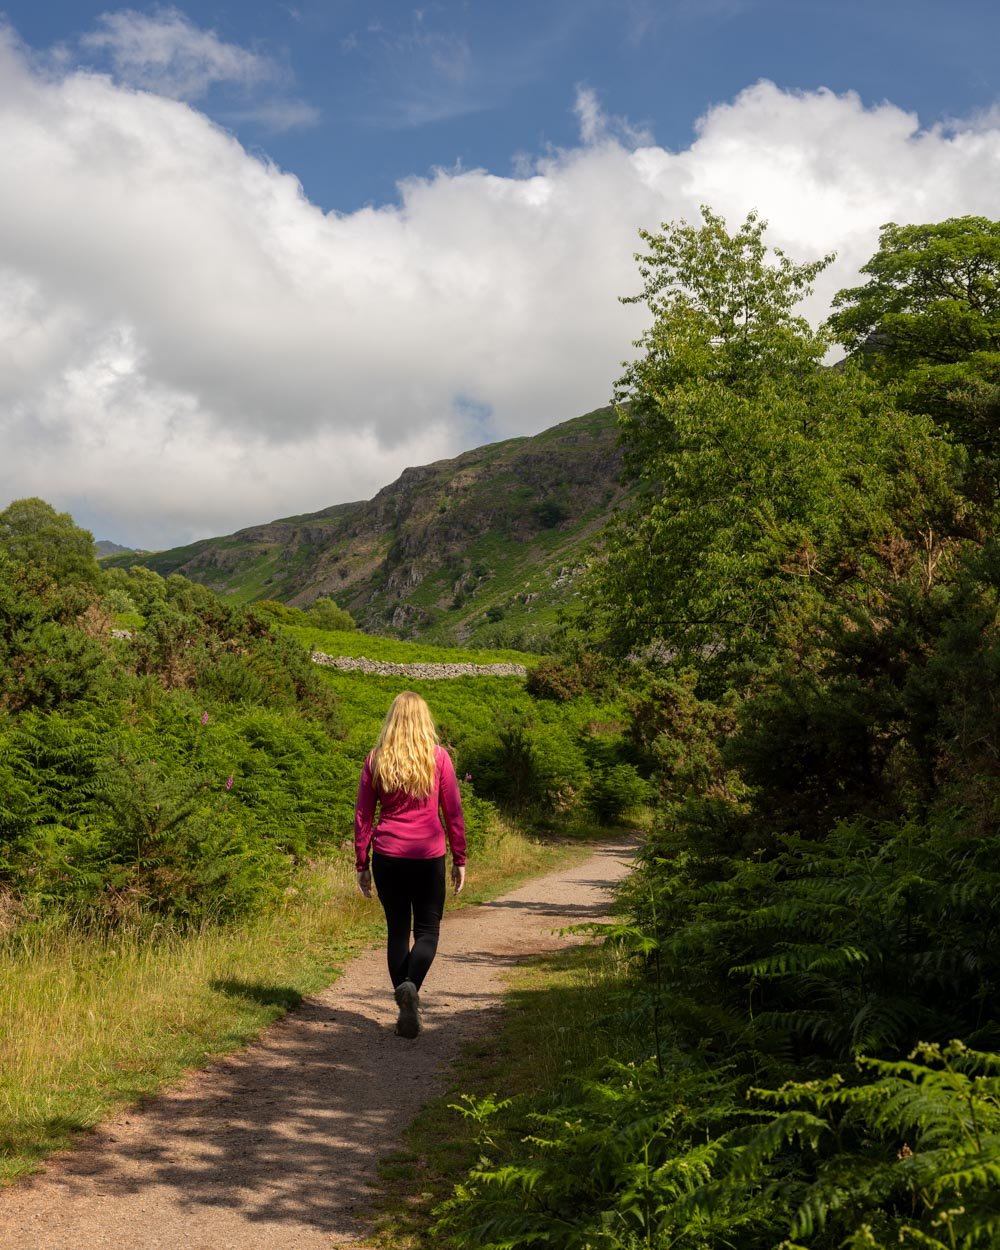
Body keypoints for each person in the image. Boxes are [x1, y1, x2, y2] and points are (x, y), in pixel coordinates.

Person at [354, 691, 467, 1038]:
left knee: (398, 931)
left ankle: (406, 998)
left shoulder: (376, 759)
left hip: (388, 856)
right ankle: (411, 987)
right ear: (424, 720)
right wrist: (460, 857)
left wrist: (362, 862)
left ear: (392, 720)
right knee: (428, 931)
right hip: (427, 856)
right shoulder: (438, 758)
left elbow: (363, 815)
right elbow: (453, 812)